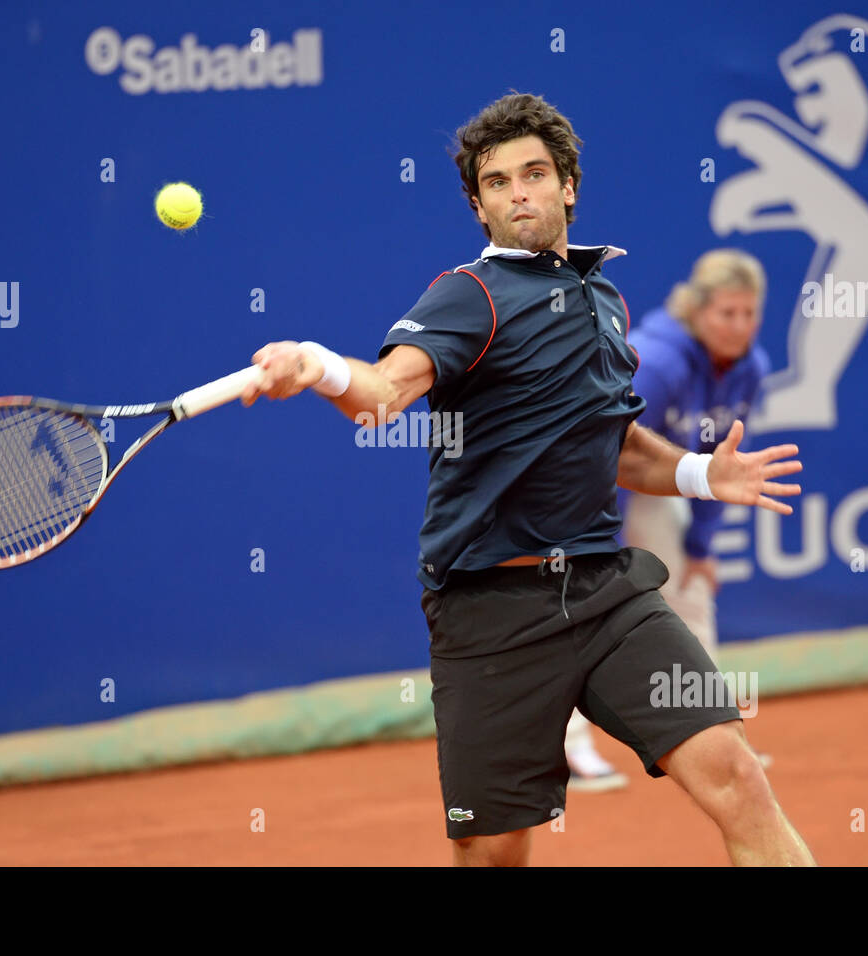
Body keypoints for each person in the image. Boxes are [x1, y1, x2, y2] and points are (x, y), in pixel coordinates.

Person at [242, 92, 815, 867]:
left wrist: (699, 474)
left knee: (737, 775)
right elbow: (382, 392)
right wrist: (312, 365)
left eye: (535, 174)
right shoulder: (469, 295)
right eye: (499, 181)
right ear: (479, 206)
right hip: (490, 611)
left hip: (606, 592)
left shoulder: (602, 299)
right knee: (494, 853)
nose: (520, 193)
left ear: (567, 186)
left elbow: (608, 442)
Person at [620, 250, 775, 769]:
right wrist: (597, 541)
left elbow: (723, 466)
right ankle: (569, 749)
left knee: (693, 588)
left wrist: (701, 547)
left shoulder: (751, 367)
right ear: (697, 311)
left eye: (749, 313)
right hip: (608, 484)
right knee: (584, 611)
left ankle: (715, 733)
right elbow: (607, 451)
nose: (739, 326)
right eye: (726, 313)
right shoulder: (657, 363)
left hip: (671, 484)